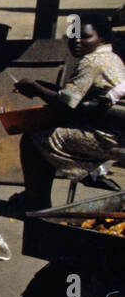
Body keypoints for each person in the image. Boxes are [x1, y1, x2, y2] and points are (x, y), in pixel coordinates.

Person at [14, 12, 125, 212]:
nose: (77, 41)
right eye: (73, 36)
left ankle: (40, 201)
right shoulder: (112, 57)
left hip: (111, 138)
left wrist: (34, 87)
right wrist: (43, 87)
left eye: (85, 36)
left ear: (101, 38)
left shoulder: (91, 62)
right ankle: (38, 196)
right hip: (113, 130)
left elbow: (67, 102)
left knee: (33, 138)